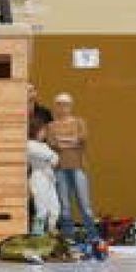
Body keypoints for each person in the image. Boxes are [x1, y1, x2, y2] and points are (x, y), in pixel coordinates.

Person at [45, 93, 100, 240]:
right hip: (59, 169)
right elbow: (52, 144)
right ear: (55, 107)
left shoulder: (79, 123)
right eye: (59, 104)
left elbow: (81, 139)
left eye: (65, 104)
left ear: (71, 106)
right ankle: (68, 239)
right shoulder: (51, 126)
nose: (62, 107)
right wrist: (71, 141)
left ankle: (93, 237)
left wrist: (63, 141)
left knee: (85, 204)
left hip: (78, 167)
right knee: (65, 206)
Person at [27, 120, 61, 235]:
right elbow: (51, 157)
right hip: (38, 178)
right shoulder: (29, 144)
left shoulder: (44, 145)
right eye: (42, 131)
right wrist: (52, 157)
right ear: (35, 131)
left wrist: (52, 157)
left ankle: (51, 232)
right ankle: (37, 234)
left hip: (49, 178)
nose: (44, 133)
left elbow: (55, 159)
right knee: (41, 210)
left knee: (55, 209)